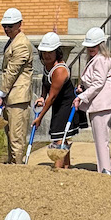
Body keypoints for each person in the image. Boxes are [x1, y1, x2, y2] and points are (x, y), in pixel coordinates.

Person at [73, 27, 111, 173]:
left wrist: (82, 96)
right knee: (101, 140)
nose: (90, 49)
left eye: (93, 46)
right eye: (88, 46)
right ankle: (104, 169)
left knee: (101, 141)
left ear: (100, 45)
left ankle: (105, 170)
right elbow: (94, 82)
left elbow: (98, 83)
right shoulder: (98, 59)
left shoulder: (101, 59)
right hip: (100, 104)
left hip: (102, 104)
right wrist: (83, 88)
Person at [33, 32, 78, 169]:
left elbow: (52, 96)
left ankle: (58, 167)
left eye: (50, 52)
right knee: (62, 135)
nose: (47, 55)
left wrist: (40, 117)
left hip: (66, 105)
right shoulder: (48, 65)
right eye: (44, 52)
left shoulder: (59, 70)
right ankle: (66, 166)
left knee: (59, 136)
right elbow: (46, 84)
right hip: (58, 105)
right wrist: (42, 96)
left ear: (57, 52)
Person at [0, 7, 35, 164]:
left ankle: (18, 170)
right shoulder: (13, 42)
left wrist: (2, 93)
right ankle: (13, 166)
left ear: (19, 24)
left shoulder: (21, 44)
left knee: (16, 139)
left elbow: (12, 71)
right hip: (12, 97)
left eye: (10, 26)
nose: (7, 29)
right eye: (4, 26)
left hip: (17, 97)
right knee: (10, 136)